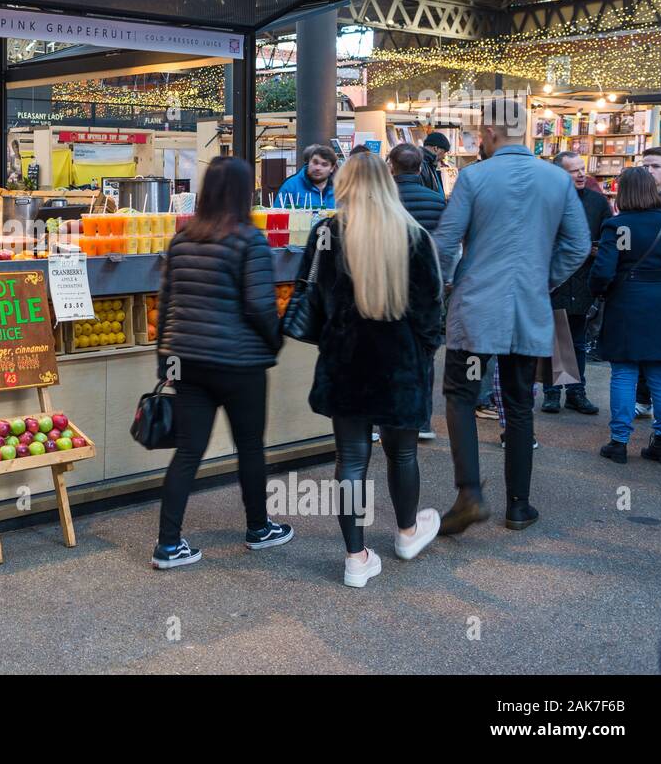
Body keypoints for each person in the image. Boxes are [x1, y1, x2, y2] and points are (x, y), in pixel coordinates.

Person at [432, 98, 590, 534]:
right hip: (528, 310)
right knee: (519, 404)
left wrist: (447, 284)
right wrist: (542, 280)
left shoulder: (474, 177)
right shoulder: (558, 181)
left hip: (476, 311)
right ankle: (518, 505)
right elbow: (578, 245)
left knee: (461, 397)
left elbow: (446, 243)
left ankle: (470, 494)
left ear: (490, 132)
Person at [299, 154, 443, 587]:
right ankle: (406, 533)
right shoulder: (414, 235)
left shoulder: (326, 232)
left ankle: (356, 559)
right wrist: (424, 353)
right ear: (389, 185)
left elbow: (316, 298)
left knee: (351, 458)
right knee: (402, 452)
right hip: (400, 362)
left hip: (346, 360)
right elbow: (431, 310)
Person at [152, 156, 291, 568]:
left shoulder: (181, 240)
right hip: (239, 362)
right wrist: (275, 342)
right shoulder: (250, 240)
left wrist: (165, 358)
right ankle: (258, 528)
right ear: (243, 192)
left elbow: (166, 303)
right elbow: (261, 307)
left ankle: (168, 544)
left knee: (189, 451)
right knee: (249, 446)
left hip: (187, 360)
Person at [590, 167, 661, 466]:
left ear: (623, 192)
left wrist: (598, 291)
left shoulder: (618, 226)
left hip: (626, 305)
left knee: (624, 373)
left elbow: (602, 272)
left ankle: (619, 442)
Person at [542, 151, 610, 415]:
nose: (581, 174)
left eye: (582, 169)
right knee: (559, 336)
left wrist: (599, 250)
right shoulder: (547, 201)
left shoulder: (596, 201)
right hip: (556, 277)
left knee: (577, 338)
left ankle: (575, 391)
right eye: (573, 170)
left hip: (583, 278)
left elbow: (609, 234)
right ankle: (554, 391)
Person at [387, 142, 447, 440]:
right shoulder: (437, 201)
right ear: (421, 167)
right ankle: (422, 420)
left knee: (386, 352)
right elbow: (448, 246)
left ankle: (384, 416)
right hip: (426, 289)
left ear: (391, 166)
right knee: (425, 353)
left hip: (387, 286)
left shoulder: (381, 200)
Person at [634, 145, 661, 419]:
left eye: (655, 166)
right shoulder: (639, 199)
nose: (648, 171)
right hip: (643, 288)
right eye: (645, 166)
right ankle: (644, 398)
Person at [275, 143, 336, 209]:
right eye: (315, 162)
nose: (318, 168)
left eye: (324, 164)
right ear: (308, 162)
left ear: (332, 168)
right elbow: (277, 216)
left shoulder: (341, 188)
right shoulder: (291, 186)